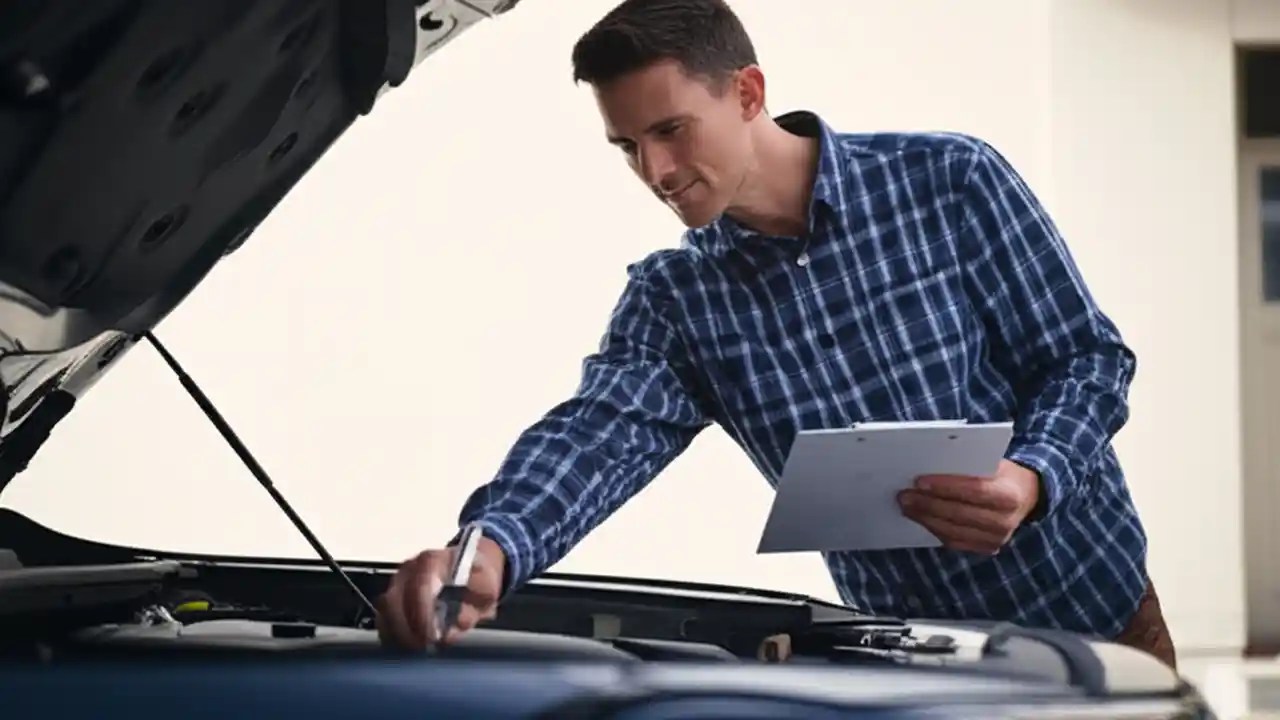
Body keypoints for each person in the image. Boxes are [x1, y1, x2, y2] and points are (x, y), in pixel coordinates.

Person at [375, 0, 1176, 668]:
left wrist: (1032, 477)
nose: (654, 171)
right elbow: (595, 437)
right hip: (916, 666)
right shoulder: (676, 300)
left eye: (672, 130)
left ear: (748, 92)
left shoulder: (951, 181)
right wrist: (488, 548)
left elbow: (1087, 359)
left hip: (1095, 623)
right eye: (628, 147)